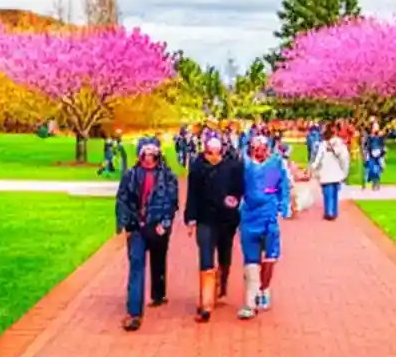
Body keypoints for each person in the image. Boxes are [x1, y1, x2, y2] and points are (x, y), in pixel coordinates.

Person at [115, 139, 179, 332]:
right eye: (146, 153)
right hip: (137, 228)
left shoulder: (167, 176)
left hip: (158, 226)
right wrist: (125, 225)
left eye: (153, 154)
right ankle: (134, 313)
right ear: (140, 155)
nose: (149, 157)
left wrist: (165, 224)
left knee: (158, 260)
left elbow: (172, 202)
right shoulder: (131, 175)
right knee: (136, 266)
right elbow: (122, 200)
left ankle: (158, 293)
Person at [184, 135, 244, 322]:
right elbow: (192, 193)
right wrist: (190, 218)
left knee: (224, 255)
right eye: (210, 153)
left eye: (216, 152)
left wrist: (234, 199)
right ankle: (206, 303)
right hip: (205, 218)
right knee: (206, 257)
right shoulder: (197, 167)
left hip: (226, 219)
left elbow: (239, 189)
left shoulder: (233, 165)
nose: (213, 156)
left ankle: (222, 284)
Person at [237, 135, 290, 320]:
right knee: (251, 259)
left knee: (269, 257)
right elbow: (236, 187)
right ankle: (250, 301)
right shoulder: (244, 164)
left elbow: (281, 186)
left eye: (263, 147)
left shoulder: (274, 164)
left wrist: (283, 206)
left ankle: (264, 289)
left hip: (269, 217)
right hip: (249, 217)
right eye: (255, 147)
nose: (259, 151)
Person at [311, 125, 351, 220]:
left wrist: (312, 168)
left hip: (325, 173)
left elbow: (318, 159)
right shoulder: (341, 145)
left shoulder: (323, 145)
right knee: (334, 194)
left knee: (327, 194)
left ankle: (329, 212)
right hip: (337, 173)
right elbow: (345, 159)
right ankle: (334, 211)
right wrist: (345, 172)